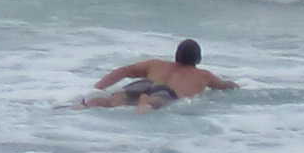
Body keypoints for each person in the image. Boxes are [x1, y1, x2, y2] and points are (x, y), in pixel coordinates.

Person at [80, 39, 237, 108]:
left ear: (176, 55)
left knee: (111, 101)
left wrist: (97, 88)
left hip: (142, 85)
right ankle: (144, 102)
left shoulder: (155, 64)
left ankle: (84, 105)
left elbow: (123, 71)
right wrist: (236, 85)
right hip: (164, 93)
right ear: (198, 59)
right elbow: (224, 86)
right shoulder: (204, 75)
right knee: (153, 102)